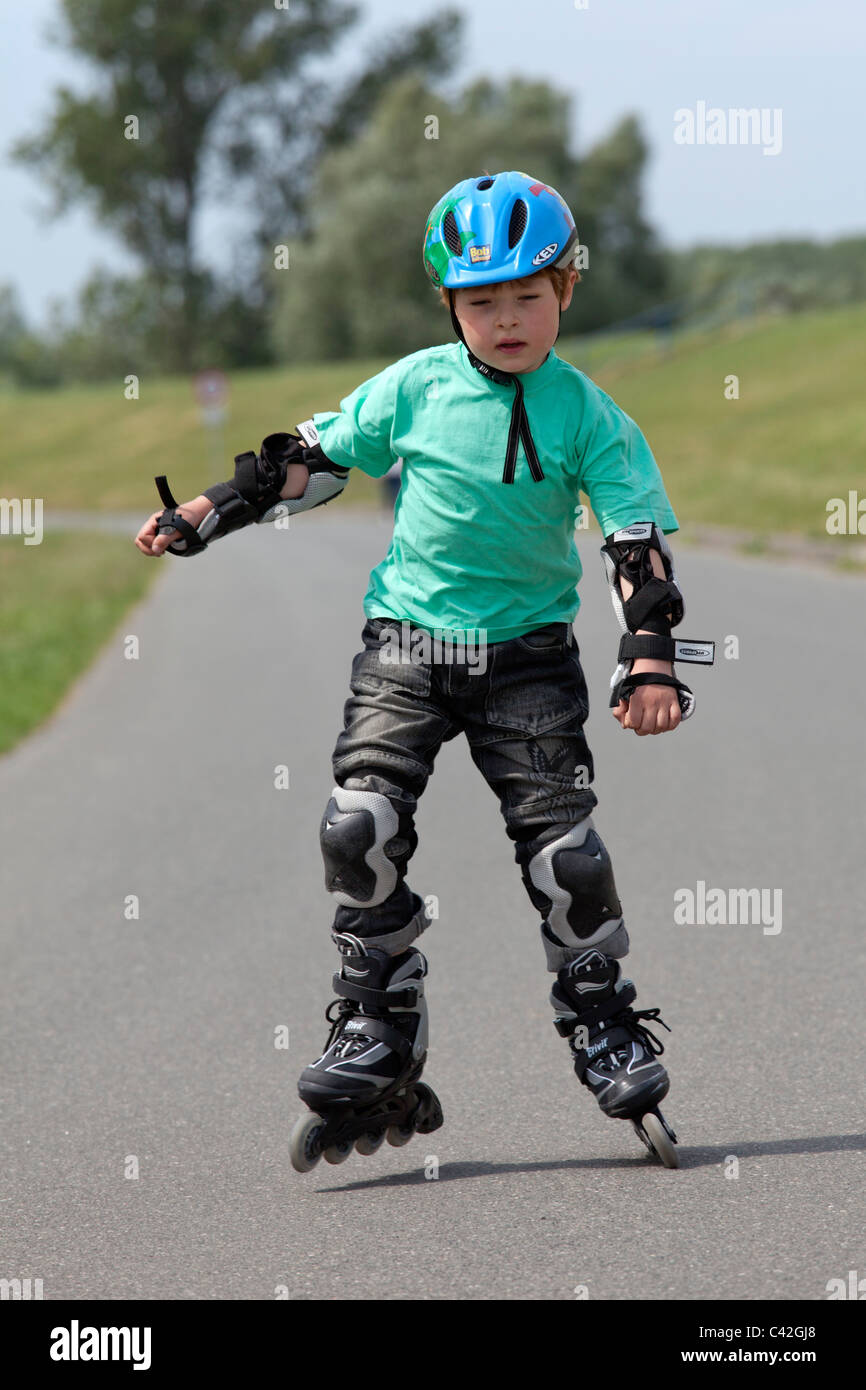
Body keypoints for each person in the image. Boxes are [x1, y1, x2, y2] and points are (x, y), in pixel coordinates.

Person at [135, 170, 713, 1170]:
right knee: (355, 826)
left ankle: (600, 1018)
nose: (504, 320)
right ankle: (378, 1023)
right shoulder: (410, 385)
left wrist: (648, 657)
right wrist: (208, 512)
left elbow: (632, 544)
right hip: (406, 643)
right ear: (450, 305)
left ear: (565, 289)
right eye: (479, 302)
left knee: (565, 855)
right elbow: (309, 460)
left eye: (525, 296)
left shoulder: (587, 413)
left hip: (527, 659)